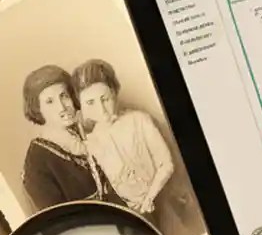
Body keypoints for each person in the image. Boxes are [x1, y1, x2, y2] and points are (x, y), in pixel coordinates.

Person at [72, 59, 179, 225]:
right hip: (129, 219)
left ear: (114, 93)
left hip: (163, 203)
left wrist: (148, 198)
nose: (101, 109)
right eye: (90, 103)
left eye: (105, 99)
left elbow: (166, 164)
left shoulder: (139, 120)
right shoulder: (88, 144)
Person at [19, 65, 117, 210]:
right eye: (50, 102)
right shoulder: (37, 162)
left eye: (64, 96)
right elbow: (57, 221)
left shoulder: (85, 133)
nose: (62, 107)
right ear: (38, 109)